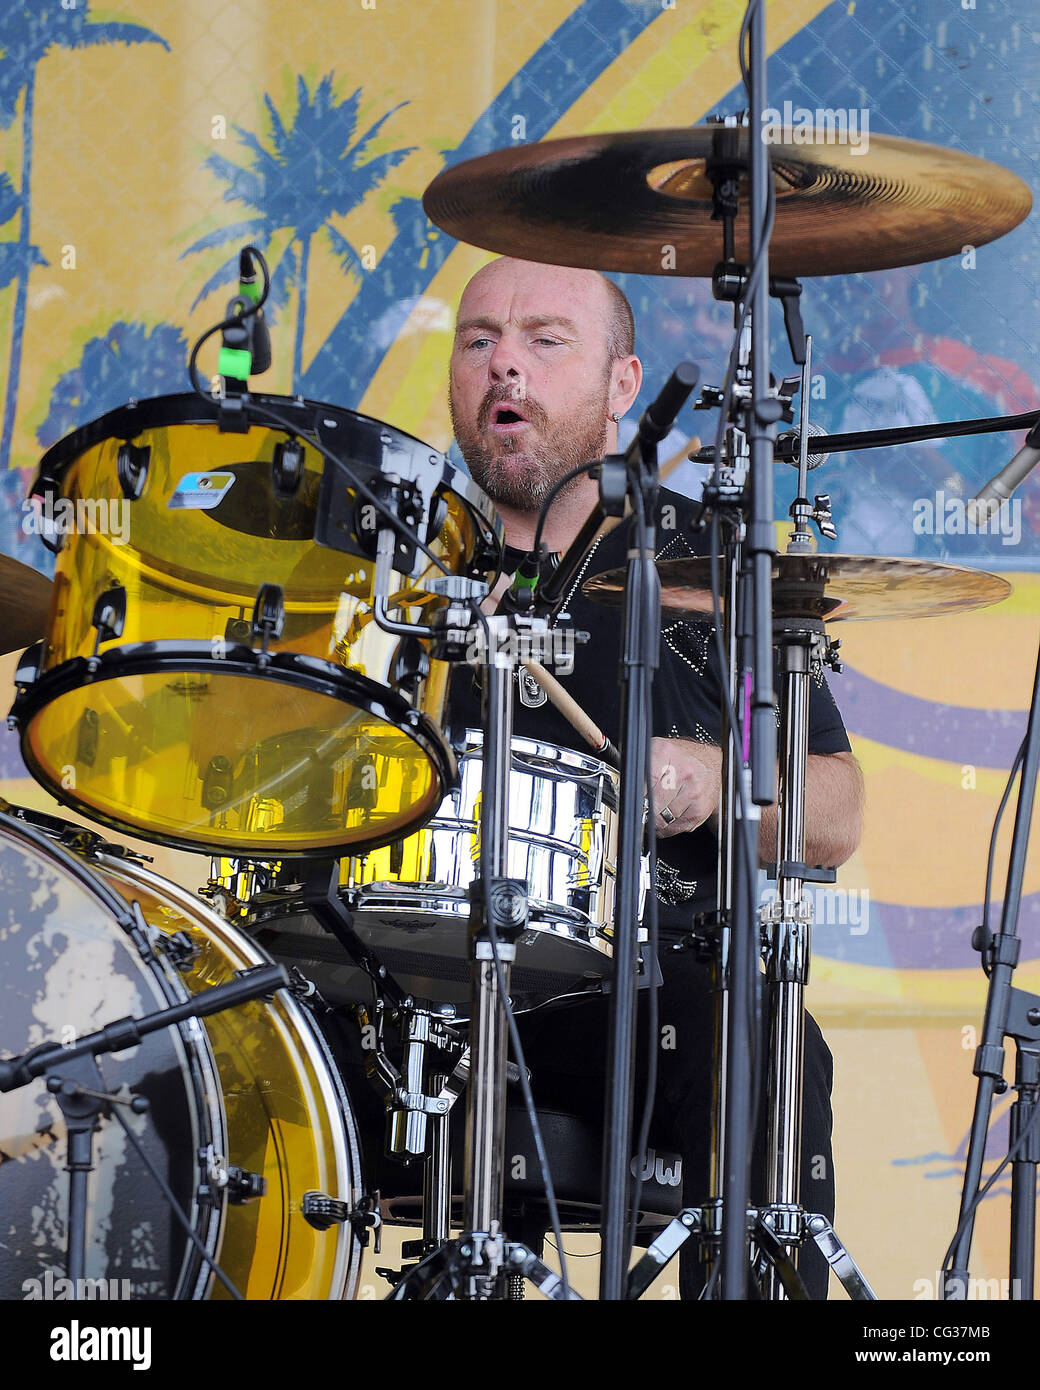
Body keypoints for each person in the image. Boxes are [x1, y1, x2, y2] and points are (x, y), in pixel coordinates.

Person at [445, 255, 864, 1299]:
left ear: (622, 385)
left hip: (644, 983)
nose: (506, 367)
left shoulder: (710, 564)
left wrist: (719, 778)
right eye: (479, 340)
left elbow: (836, 810)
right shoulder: (403, 559)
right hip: (428, 980)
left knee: (761, 1030)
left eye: (546, 341)